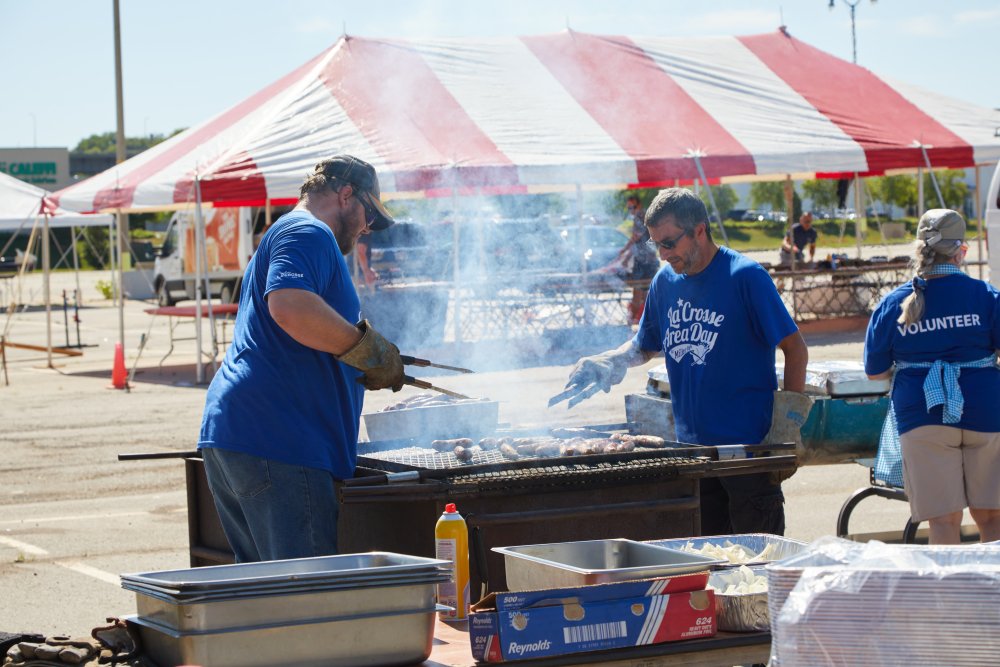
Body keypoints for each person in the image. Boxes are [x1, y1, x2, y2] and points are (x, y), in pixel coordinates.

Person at [556, 187, 808, 535]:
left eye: (670, 243)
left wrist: (787, 424)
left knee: (756, 568)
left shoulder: (745, 277)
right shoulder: (665, 281)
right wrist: (610, 359)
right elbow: (645, 344)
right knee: (706, 565)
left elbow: (795, 349)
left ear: (700, 230)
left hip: (747, 454)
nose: (662, 254)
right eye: (656, 244)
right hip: (691, 453)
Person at [198, 155, 407, 563]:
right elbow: (289, 307)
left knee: (268, 595)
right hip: (282, 440)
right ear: (347, 194)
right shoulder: (308, 231)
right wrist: (369, 350)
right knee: (305, 594)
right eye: (370, 215)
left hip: (244, 433)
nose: (368, 228)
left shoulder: (289, 232)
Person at [864, 209, 1000, 545]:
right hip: (987, 411)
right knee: (994, 517)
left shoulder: (895, 303)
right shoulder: (986, 296)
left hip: (923, 416)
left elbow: (874, 371)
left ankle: (949, 597)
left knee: (942, 522)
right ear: (961, 252)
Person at [610, 195, 660, 324]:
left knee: (638, 293)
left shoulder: (640, 217)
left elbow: (635, 237)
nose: (630, 209)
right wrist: (627, 256)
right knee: (646, 294)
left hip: (644, 262)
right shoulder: (648, 217)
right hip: (650, 261)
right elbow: (644, 242)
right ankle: (646, 322)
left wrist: (624, 250)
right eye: (628, 207)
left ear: (639, 205)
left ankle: (632, 321)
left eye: (632, 206)